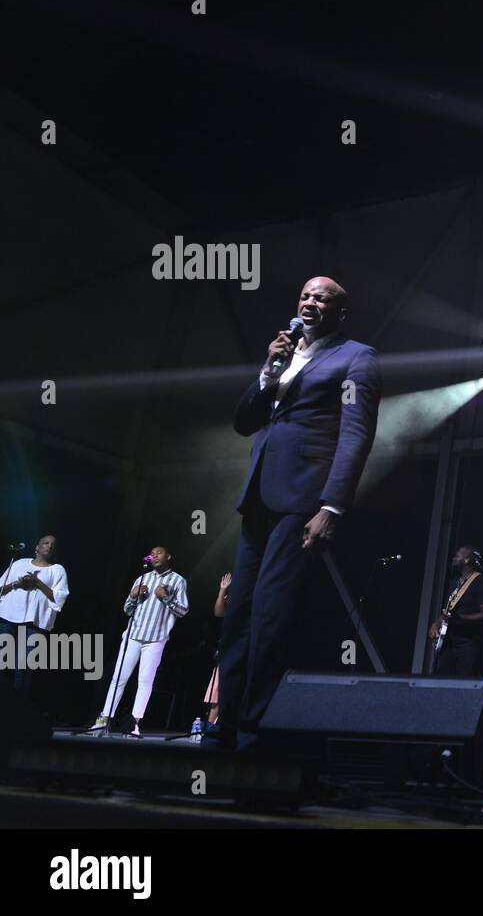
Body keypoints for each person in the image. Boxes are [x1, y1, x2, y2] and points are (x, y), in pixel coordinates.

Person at [211, 276, 381, 750]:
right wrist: (269, 370)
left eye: (321, 298)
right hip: (259, 496)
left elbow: (356, 436)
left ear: (340, 312)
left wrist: (332, 505)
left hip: (303, 497)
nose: (310, 302)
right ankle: (223, 728)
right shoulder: (283, 354)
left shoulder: (356, 357)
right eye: (305, 294)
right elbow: (245, 422)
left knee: (271, 616)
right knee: (238, 614)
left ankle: (254, 736)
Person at [91, 546, 189, 736]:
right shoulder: (142, 578)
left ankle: (134, 723)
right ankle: (104, 719)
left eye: (159, 553)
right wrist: (132, 596)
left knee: (145, 681)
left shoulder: (177, 580)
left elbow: (183, 610)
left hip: (156, 638)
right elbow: (128, 610)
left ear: (168, 556)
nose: (154, 556)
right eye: (152, 554)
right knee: (118, 678)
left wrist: (166, 598)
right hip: (133, 635)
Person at [0, 534, 70, 697]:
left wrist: (37, 583)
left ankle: (18, 708)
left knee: (23, 666)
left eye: (53, 544)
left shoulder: (57, 570)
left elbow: (59, 598)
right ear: (37, 547)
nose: (49, 546)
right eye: (45, 543)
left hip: (34, 623)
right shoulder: (19, 563)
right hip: (7, 618)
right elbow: (1, 588)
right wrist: (18, 583)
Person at [429, 546, 483, 677]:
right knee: (441, 676)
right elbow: (447, 611)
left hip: (468, 642)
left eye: (457, 556)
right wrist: (436, 623)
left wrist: (463, 618)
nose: (453, 558)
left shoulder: (480, 581)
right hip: (449, 640)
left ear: (466, 560)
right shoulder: (455, 582)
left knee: (464, 680)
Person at [202, 573, 231, 728]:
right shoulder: (232, 601)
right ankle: (210, 728)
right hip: (227, 650)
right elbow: (219, 612)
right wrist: (222, 591)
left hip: (244, 651)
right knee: (216, 693)